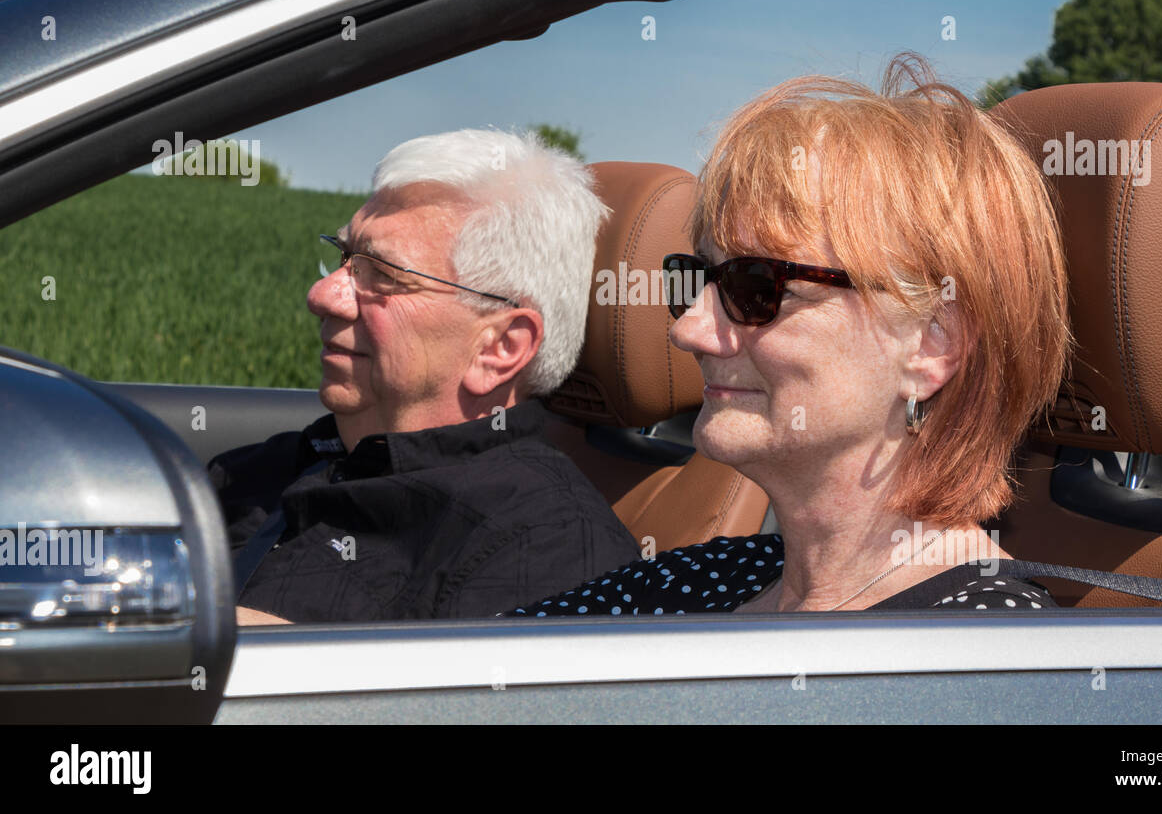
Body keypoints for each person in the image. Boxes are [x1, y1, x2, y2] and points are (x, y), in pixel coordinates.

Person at [510, 54, 1071, 617]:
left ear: (932, 343)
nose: (689, 330)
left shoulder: (986, 658)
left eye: (758, 287)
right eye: (699, 276)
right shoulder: (700, 578)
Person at [212, 129, 640, 624]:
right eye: (346, 257)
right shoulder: (276, 465)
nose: (323, 294)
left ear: (500, 348)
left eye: (385, 275)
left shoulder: (548, 549)